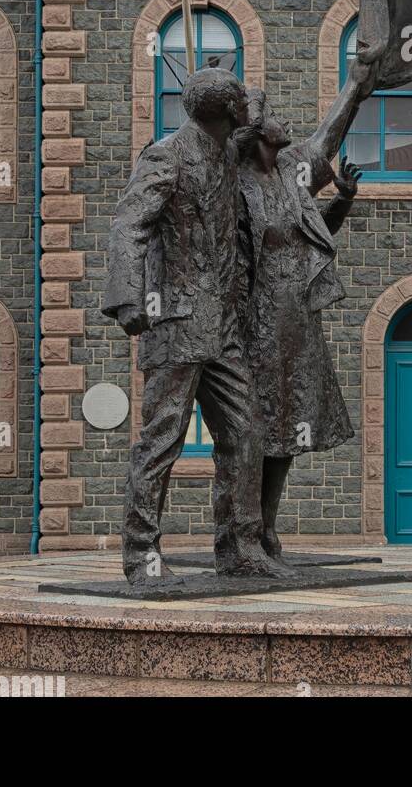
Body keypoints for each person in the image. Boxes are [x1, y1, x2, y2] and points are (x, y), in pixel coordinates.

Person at [103, 65, 276, 585]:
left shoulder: (226, 146)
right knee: (162, 440)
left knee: (247, 431)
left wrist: (232, 90)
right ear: (225, 112)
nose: (247, 106)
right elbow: (128, 223)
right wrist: (129, 300)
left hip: (222, 326)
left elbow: (257, 111)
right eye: (238, 101)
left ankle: (240, 547)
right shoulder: (166, 155)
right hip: (174, 320)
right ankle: (141, 556)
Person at [234, 55, 378, 567]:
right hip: (255, 321)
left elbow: (327, 142)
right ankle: (242, 534)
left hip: (296, 320)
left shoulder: (292, 170)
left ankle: (268, 530)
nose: (282, 118)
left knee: (287, 429)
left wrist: (342, 198)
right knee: (253, 428)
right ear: (253, 129)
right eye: (269, 112)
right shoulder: (238, 184)